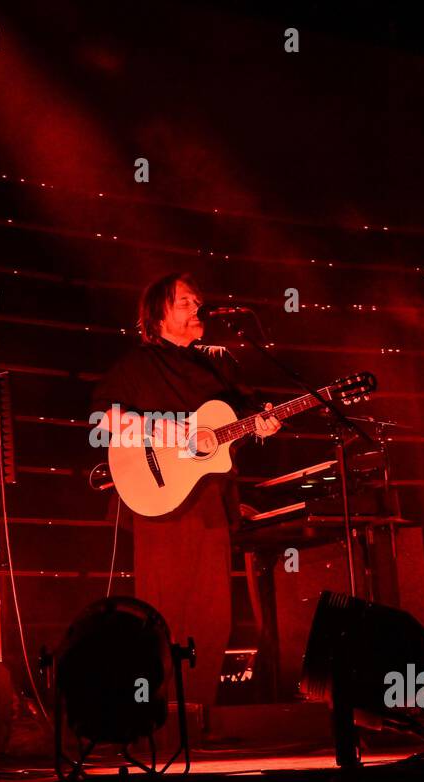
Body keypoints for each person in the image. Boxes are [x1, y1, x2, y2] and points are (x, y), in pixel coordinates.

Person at [90, 273, 280, 727]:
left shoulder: (219, 361)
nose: (197, 308)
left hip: (210, 500)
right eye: (184, 302)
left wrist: (265, 424)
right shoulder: (137, 364)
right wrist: (163, 429)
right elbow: (103, 418)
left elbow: (245, 419)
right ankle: (156, 715)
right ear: (157, 313)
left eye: (198, 300)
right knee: (161, 609)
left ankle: (198, 715)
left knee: (213, 612)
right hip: (156, 499)